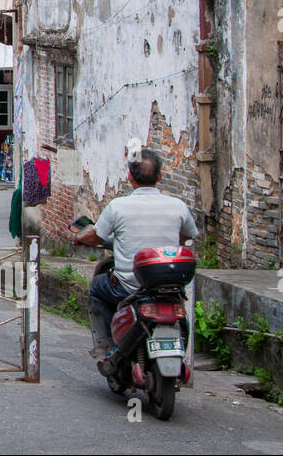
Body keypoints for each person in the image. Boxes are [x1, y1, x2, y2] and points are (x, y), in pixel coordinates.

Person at [71, 147, 198, 358]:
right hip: (170, 287)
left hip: (129, 287)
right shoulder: (178, 206)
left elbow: (96, 236)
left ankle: (107, 343)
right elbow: (189, 234)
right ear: (160, 176)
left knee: (96, 287)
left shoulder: (118, 207)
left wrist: (80, 237)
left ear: (130, 177)